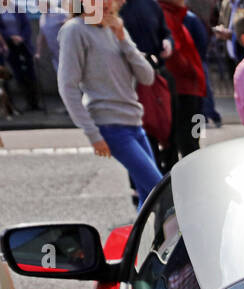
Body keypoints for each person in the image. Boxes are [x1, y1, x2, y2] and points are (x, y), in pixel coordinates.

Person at [57, 0, 162, 207]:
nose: (106, 3)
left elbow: (147, 77)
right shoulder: (74, 30)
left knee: (149, 198)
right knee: (160, 192)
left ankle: (144, 229)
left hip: (134, 123)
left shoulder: (115, 28)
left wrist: (123, 39)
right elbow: (67, 87)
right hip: (110, 126)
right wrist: (93, 134)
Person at [159, 0, 206, 158]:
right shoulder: (166, 15)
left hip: (191, 88)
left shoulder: (177, 15)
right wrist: (192, 71)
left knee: (192, 139)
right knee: (189, 144)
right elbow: (174, 56)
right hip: (184, 89)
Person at [1, 9, 42, 112]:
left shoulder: (17, 9)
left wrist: (22, 38)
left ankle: (34, 102)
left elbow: (26, 25)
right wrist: (10, 37)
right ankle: (27, 101)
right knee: (18, 74)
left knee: (30, 73)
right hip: (10, 46)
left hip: (24, 45)